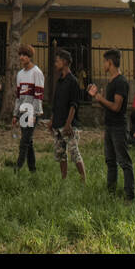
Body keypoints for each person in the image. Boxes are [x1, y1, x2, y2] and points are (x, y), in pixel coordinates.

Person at [89, 48, 134, 200]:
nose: (103, 65)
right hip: (109, 125)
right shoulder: (111, 81)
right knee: (110, 160)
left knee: (123, 161)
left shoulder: (120, 82)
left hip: (118, 127)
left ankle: (129, 194)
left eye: (104, 62)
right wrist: (99, 97)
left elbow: (116, 106)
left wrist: (100, 98)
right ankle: (111, 192)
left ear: (110, 62)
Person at [50, 48, 85, 183]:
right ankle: (64, 179)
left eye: (57, 61)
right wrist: (52, 121)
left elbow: (74, 105)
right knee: (60, 154)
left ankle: (83, 179)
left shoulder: (73, 81)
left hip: (69, 125)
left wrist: (68, 123)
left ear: (64, 62)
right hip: (58, 124)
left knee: (74, 153)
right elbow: (56, 103)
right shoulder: (59, 81)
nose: (55, 63)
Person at [12, 44, 44, 173]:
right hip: (23, 111)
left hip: (31, 111)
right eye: (20, 55)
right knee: (28, 141)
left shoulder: (37, 72)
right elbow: (18, 96)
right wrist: (15, 114)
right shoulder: (20, 74)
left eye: (24, 55)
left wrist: (35, 113)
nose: (22, 57)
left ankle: (17, 168)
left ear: (30, 57)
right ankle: (33, 170)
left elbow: (38, 95)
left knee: (24, 141)